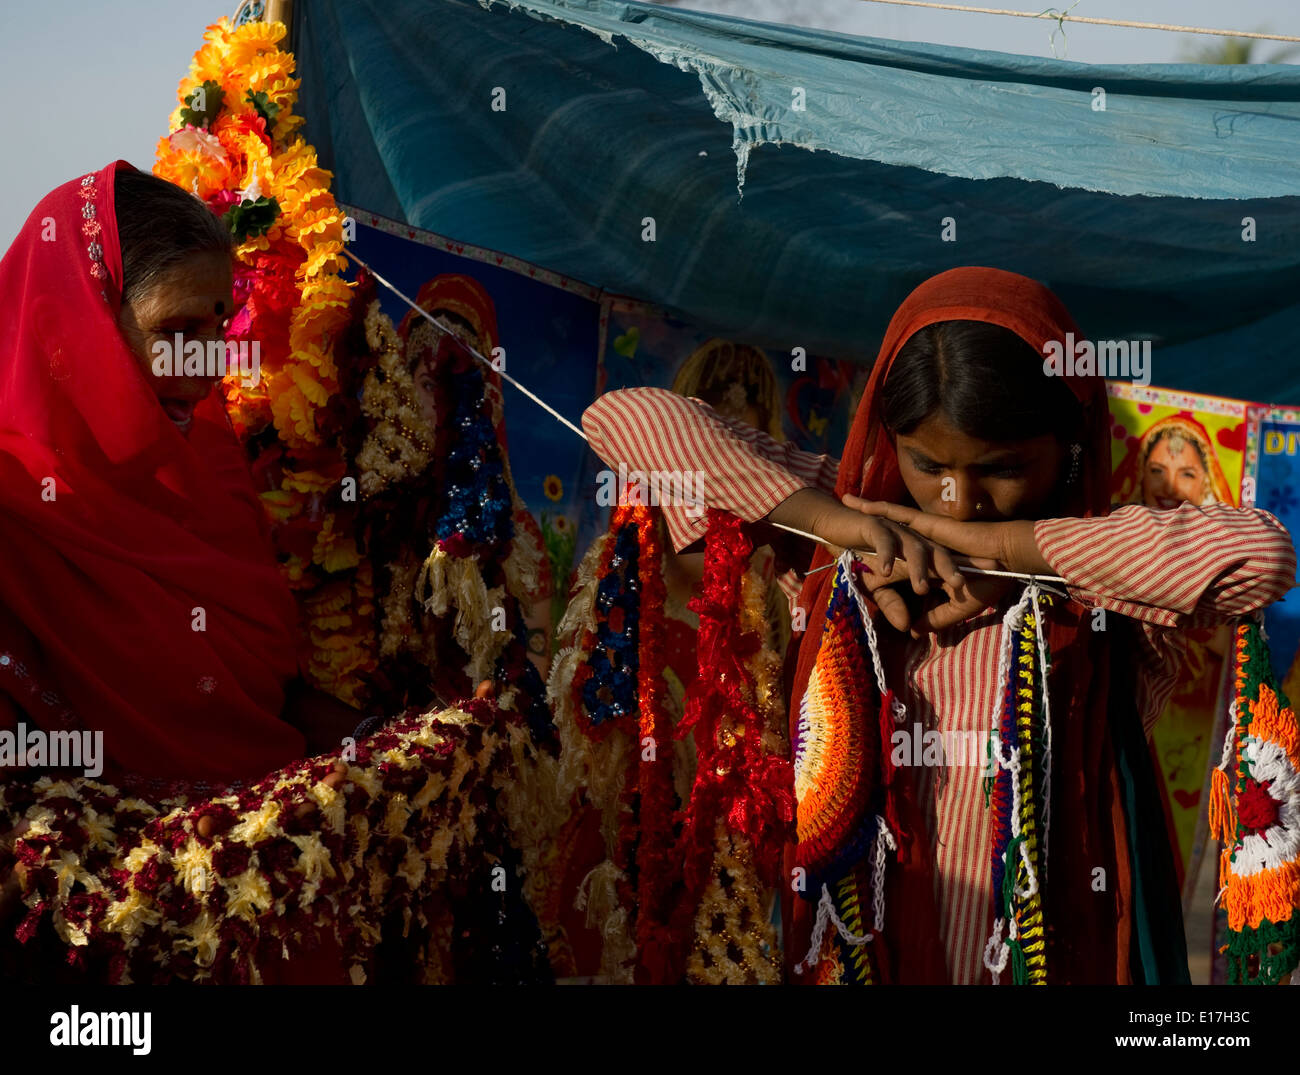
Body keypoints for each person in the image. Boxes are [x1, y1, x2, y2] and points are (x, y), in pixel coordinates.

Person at [581, 266, 1296, 984]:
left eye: (1001, 468)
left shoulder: (1101, 587)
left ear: (1069, 444)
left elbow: (1262, 555)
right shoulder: (840, 530)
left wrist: (1007, 554)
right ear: (893, 440)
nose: (956, 503)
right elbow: (623, 421)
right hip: (860, 955)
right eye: (928, 464)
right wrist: (843, 523)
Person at [0, 162, 546, 984]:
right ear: (70, 323)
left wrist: (390, 751)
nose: (210, 363)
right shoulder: (15, 515)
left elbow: (267, 699)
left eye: (220, 325)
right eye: (178, 328)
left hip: (282, 926)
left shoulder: (211, 469)